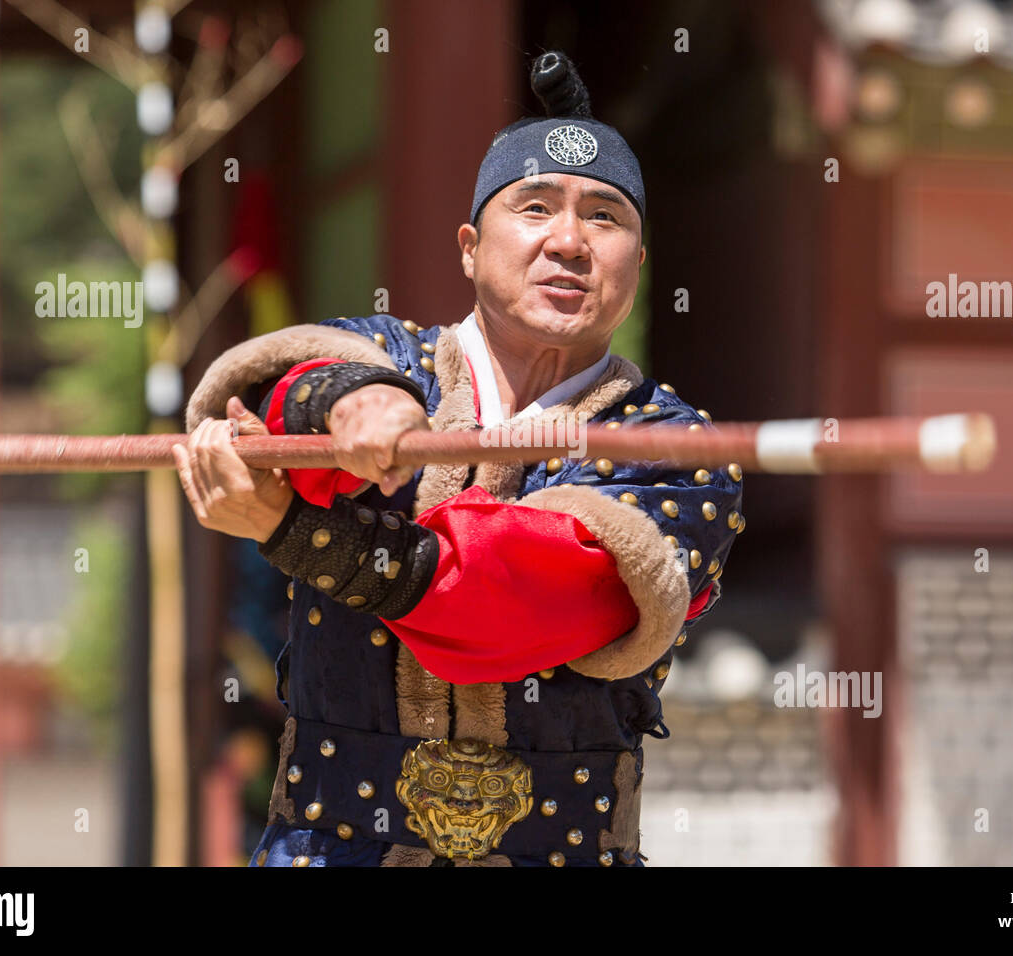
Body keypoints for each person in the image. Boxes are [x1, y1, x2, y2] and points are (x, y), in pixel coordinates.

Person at [174, 51, 743, 867]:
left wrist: (285, 528)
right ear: (471, 247)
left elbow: (504, 597)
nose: (570, 241)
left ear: (638, 263)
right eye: (536, 207)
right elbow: (278, 391)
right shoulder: (379, 353)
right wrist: (347, 403)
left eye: (606, 218)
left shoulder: (672, 450)